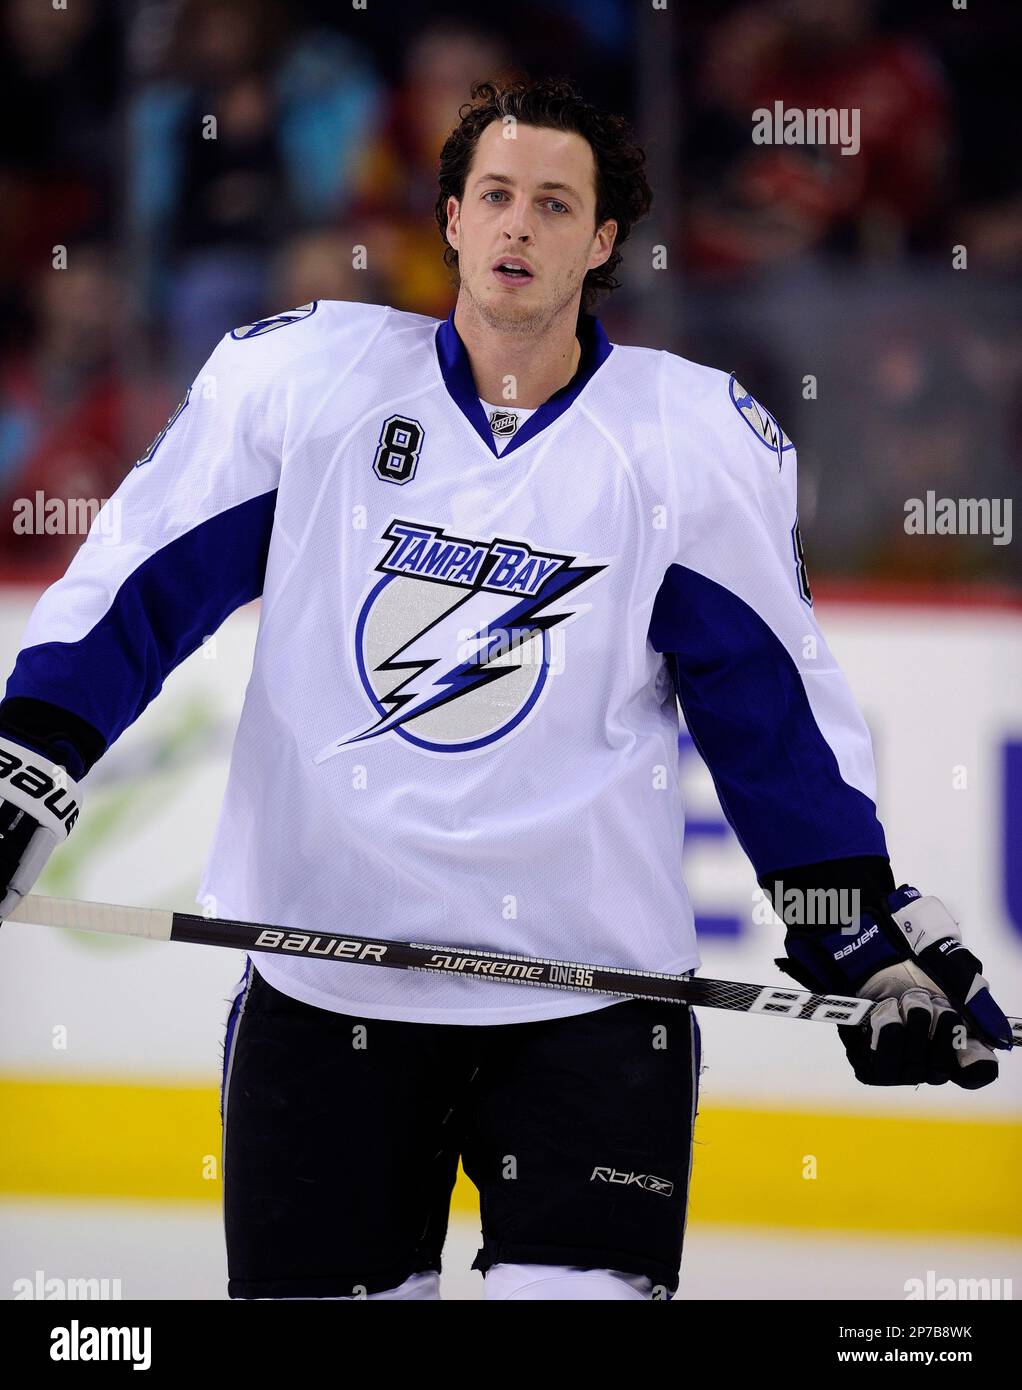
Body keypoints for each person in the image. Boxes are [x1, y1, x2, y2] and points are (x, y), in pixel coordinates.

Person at [0, 77, 1011, 1302]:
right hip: (328, 996)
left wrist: (850, 926)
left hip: (592, 1011)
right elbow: (139, 581)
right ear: (451, 219)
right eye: (493, 197)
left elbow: (766, 710)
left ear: (599, 241)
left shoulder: (680, 440)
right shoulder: (307, 385)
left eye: (552, 203)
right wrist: (32, 757)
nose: (517, 226)